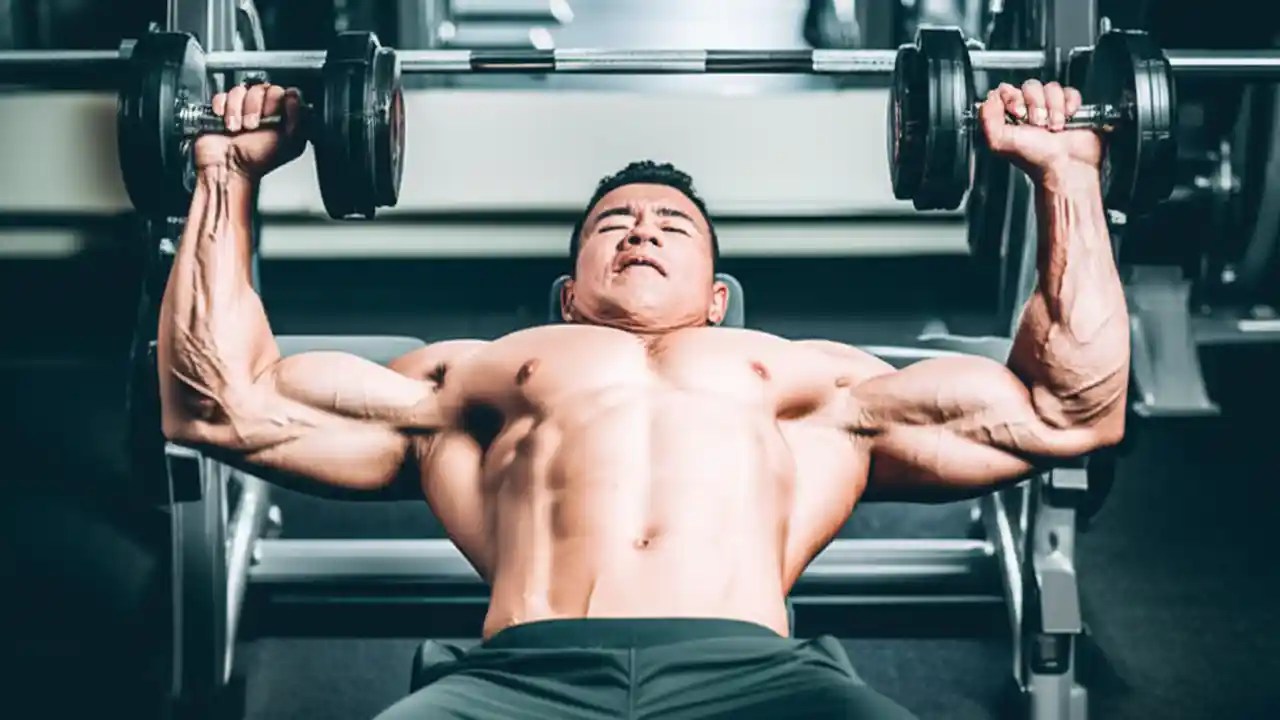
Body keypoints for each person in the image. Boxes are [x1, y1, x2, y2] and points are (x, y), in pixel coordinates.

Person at [158, 78, 1128, 719]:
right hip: (519, 680)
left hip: (755, 679)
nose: (639, 231)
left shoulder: (811, 382)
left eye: (672, 225)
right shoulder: (479, 377)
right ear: (567, 295)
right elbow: (220, 403)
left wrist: (1066, 176)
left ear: (717, 299)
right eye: (611, 224)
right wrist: (225, 175)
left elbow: (1067, 409)